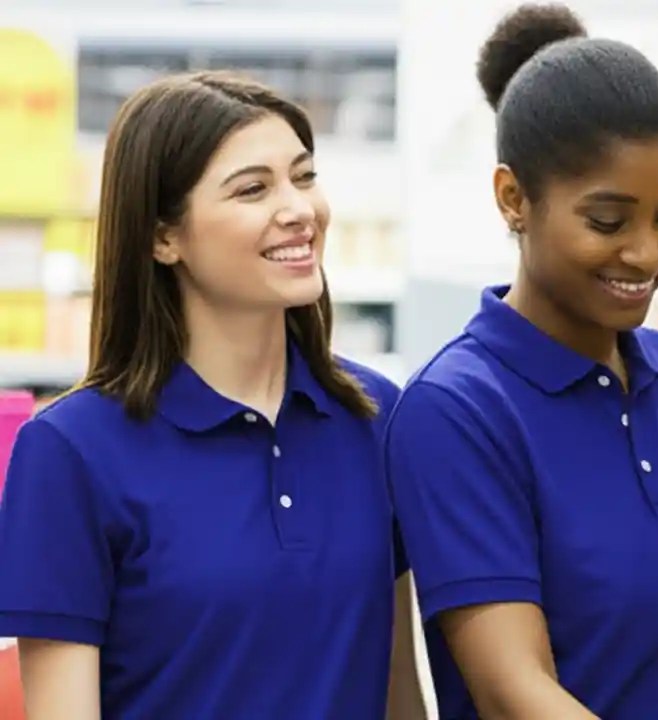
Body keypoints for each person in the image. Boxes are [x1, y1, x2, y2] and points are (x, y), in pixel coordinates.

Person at [384, 4, 658, 719]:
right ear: (514, 198)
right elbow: (514, 693)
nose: (647, 251)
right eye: (607, 221)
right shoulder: (456, 410)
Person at [0, 71, 425, 720]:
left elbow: (399, 692)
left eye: (304, 177)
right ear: (162, 237)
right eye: (253, 188)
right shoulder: (70, 453)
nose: (299, 210)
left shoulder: (376, 416)